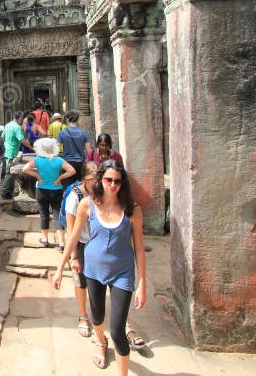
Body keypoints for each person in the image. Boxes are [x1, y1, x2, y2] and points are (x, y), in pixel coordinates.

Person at [53, 160, 147, 375]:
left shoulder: (132, 210)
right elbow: (74, 236)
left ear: (123, 184)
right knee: (97, 316)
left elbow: (139, 248)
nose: (113, 185)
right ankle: (100, 342)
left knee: (117, 330)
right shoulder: (88, 204)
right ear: (101, 179)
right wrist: (60, 267)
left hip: (122, 272)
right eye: (108, 180)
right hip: (93, 270)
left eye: (117, 181)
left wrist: (142, 283)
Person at [63, 161, 97, 338]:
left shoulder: (104, 193)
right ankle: (83, 315)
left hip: (98, 244)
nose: (96, 182)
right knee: (81, 281)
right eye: (92, 179)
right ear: (85, 179)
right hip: (82, 244)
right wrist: (74, 256)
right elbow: (70, 229)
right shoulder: (75, 196)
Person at [23, 137, 76, 250]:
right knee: (58, 215)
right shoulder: (59, 160)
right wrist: (60, 178)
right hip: (56, 189)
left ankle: (45, 239)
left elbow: (25, 169)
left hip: (41, 189)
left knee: (44, 214)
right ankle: (62, 242)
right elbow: (72, 170)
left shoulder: (37, 160)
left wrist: (38, 176)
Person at [1, 111, 33, 201]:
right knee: (10, 173)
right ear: (20, 117)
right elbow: (22, 140)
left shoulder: (7, 125)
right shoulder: (17, 127)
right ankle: (5, 192)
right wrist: (31, 147)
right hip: (11, 152)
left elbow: (2, 137)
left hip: (7, 151)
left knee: (11, 172)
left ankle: (9, 191)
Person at [56, 110, 91, 187]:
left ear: (67, 119)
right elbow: (89, 151)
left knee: (67, 187)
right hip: (81, 163)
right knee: (81, 187)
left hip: (67, 163)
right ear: (77, 120)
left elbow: (56, 149)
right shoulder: (83, 133)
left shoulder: (62, 133)